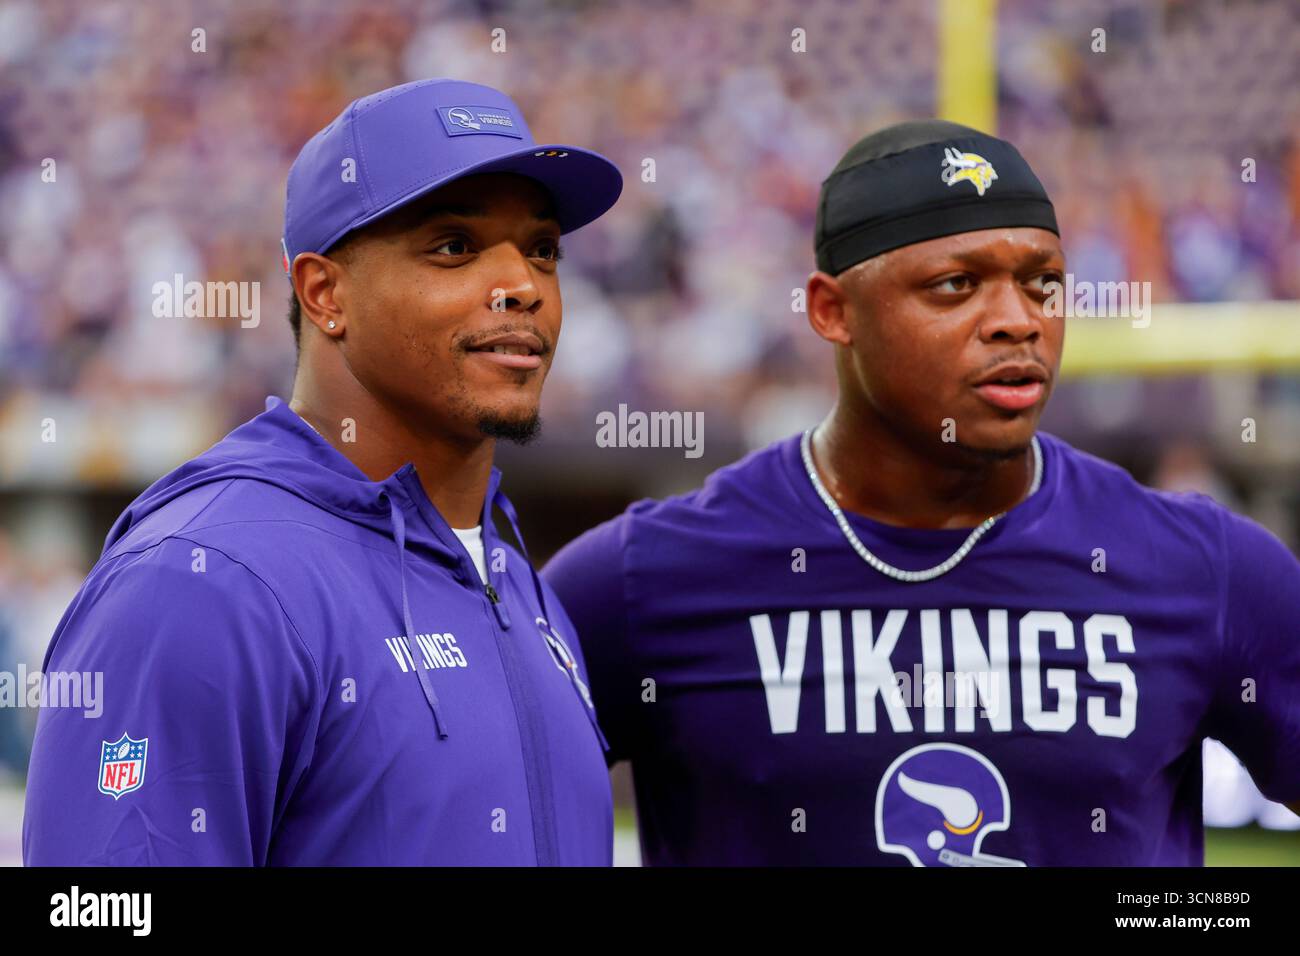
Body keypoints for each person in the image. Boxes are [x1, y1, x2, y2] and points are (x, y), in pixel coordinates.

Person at [544, 120, 1300, 866]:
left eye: (1043, 285)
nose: (1017, 322)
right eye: (956, 286)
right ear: (831, 311)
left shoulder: (1202, 567)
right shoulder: (642, 581)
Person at [24, 78, 622, 865]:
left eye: (542, 250)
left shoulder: (516, 580)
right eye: (455, 247)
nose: (522, 288)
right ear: (323, 292)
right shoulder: (201, 581)